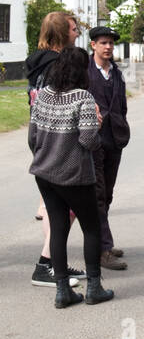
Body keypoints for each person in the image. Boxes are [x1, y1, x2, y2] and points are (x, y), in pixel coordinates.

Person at [28, 45, 114, 309]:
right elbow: (88, 141)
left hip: (44, 174)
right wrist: (97, 128)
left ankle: (63, 291)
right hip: (75, 175)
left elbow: (32, 138)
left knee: (58, 228)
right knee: (91, 228)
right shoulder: (83, 99)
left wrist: (48, 154)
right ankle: (95, 288)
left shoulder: (42, 96)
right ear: (82, 70)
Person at [27, 12, 85, 287]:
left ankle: (54, 263)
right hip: (59, 141)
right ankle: (46, 264)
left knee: (54, 206)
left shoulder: (36, 63)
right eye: (73, 29)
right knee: (65, 207)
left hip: (41, 139)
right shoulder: (57, 65)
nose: (77, 33)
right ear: (63, 33)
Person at [88, 26, 130, 271]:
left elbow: (121, 105)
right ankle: (103, 248)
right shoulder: (85, 72)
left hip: (114, 139)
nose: (108, 47)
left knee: (108, 194)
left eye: (111, 44)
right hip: (93, 140)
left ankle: (101, 241)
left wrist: (122, 125)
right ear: (93, 44)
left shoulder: (116, 73)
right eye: (103, 43)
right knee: (98, 195)